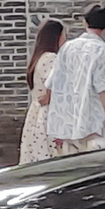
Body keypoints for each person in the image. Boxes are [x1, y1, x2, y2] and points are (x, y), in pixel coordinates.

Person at [45, 3, 105, 155]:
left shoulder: (67, 48)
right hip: (93, 123)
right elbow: (103, 89)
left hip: (66, 123)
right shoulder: (103, 51)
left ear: (84, 22)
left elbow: (52, 83)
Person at [21, 19, 64, 164]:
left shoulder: (40, 57)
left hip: (37, 114)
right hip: (47, 115)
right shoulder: (51, 58)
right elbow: (55, 83)